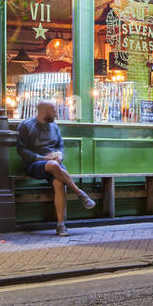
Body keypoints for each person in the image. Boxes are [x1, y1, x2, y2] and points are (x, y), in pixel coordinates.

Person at [16, 100, 96, 236]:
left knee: (59, 183)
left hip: (55, 165)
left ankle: (61, 225)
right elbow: (21, 150)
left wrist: (59, 155)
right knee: (53, 165)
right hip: (34, 165)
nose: (56, 113)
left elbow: (60, 146)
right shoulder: (26, 125)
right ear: (43, 111)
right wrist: (42, 158)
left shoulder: (54, 126)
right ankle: (79, 193)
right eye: (53, 110)